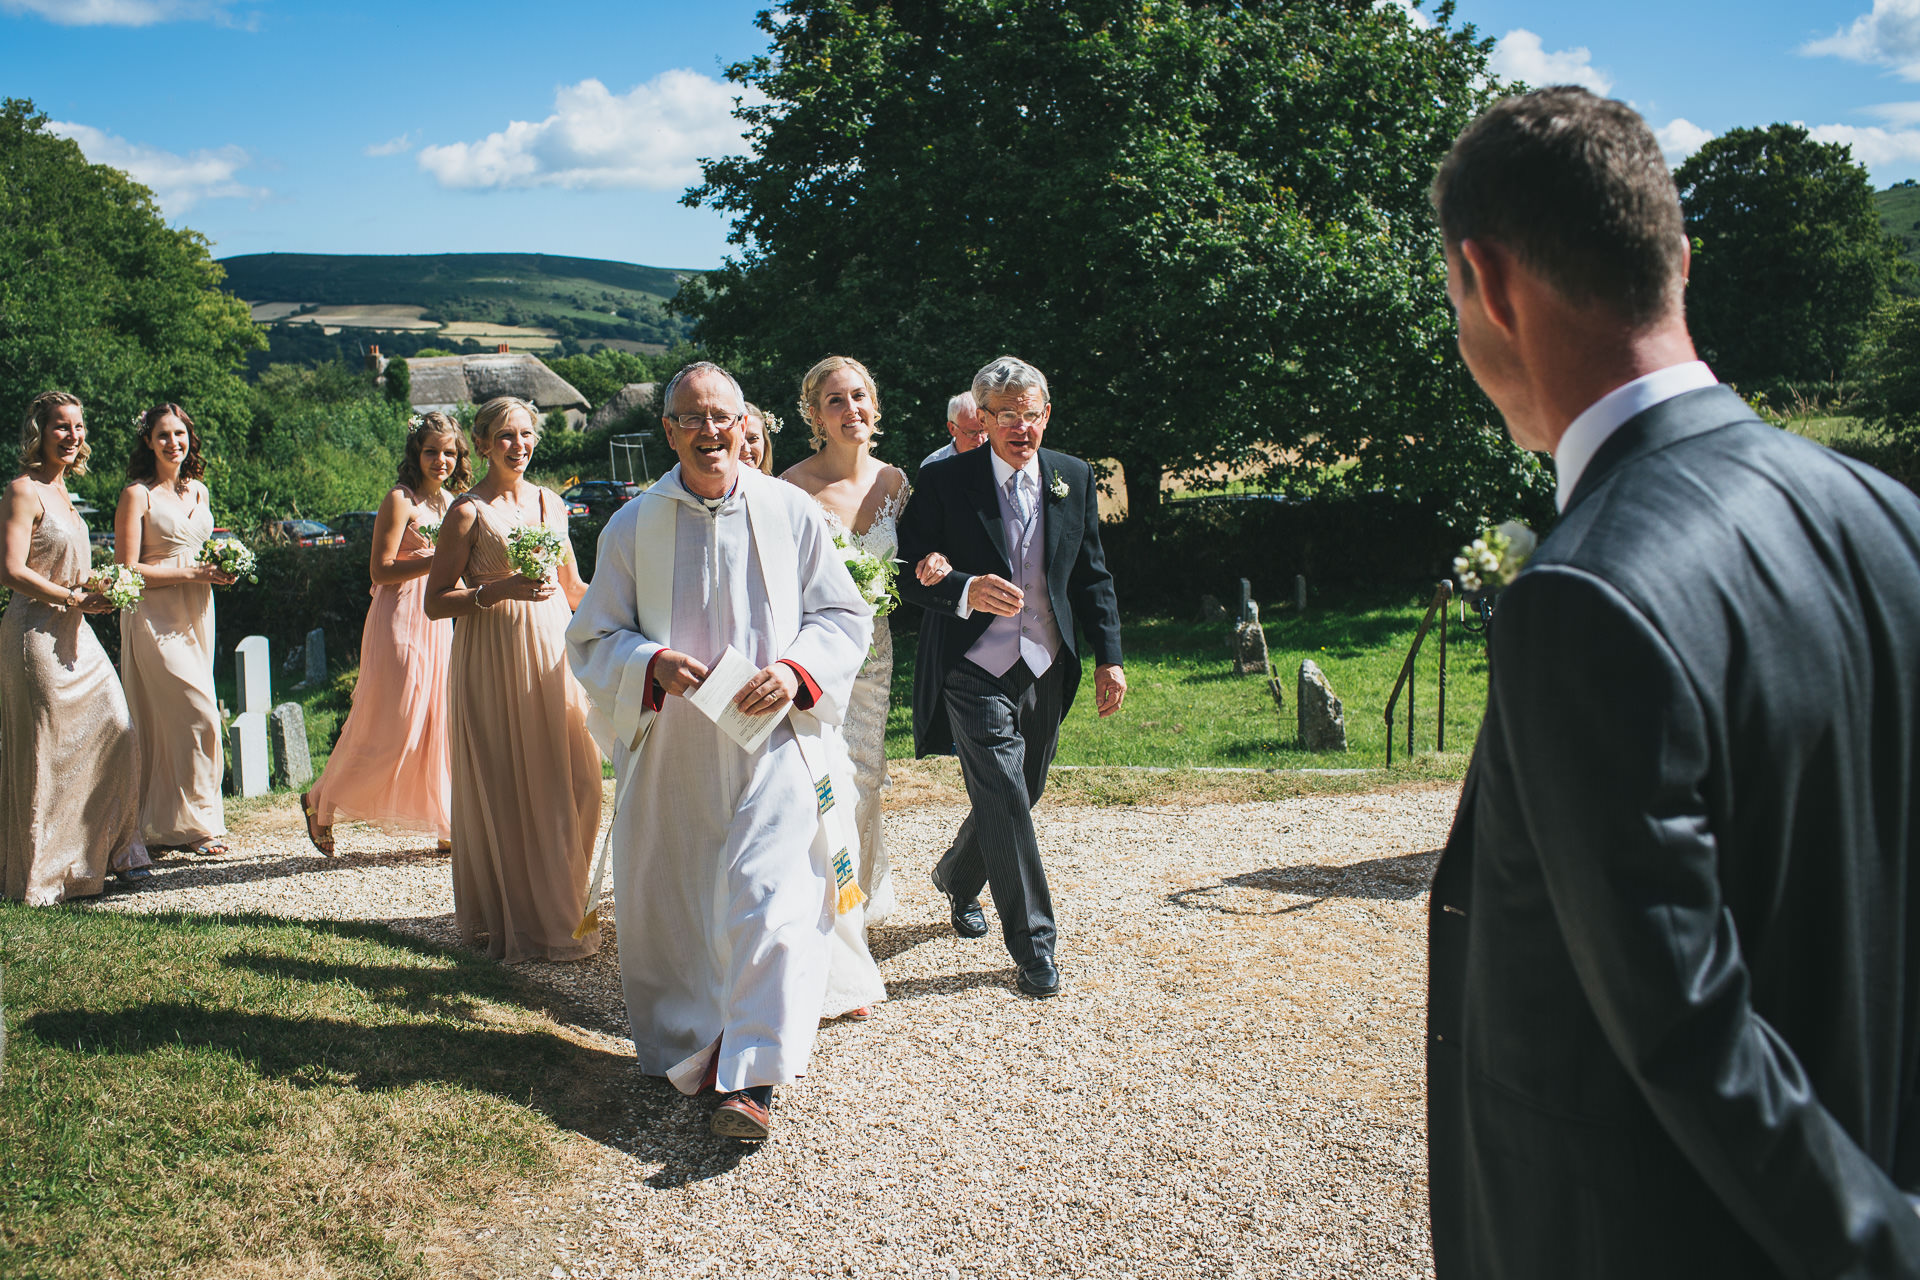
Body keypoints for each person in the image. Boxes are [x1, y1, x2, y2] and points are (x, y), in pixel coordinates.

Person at [1426, 86, 1920, 1278]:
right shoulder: (1890, 517)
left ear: (1489, 284)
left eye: (1451, 300)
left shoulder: (1588, 591)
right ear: (1678, 262)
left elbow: (1688, 1029)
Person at [567, 360, 876, 1141]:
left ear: (745, 426)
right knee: (681, 899)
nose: (710, 432)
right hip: (676, 746)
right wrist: (650, 664)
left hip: (774, 739)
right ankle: (700, 1042)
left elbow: (842, 614)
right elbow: (593, 635)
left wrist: (794, 671)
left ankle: (753, 1080)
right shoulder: (633, 525)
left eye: (722, 418)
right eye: (692, 418)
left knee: (768, 890)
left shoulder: (791, 512)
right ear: (669, 430)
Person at [897, 355, 1125, 998]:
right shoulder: (947, 481)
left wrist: (1110, 657)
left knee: (1024, 791)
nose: (1021, 428)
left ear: (1045, 414)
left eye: (1031, 415)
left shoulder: (1073, 477)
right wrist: (965, 587)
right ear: (983, 420)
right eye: (1006, 417)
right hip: (973, 667)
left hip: (1046, 665)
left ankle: (957, 876)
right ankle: (1034, 945)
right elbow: (909, 563)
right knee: (1001, 793)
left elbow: (1091, 576)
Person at [425, 396, 601, 963]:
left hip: (552, 650)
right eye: (505, 436)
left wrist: (630, 615)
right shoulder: (466, 512)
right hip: (493, 654)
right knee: (515, 788)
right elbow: (434, 603)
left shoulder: (552, 502)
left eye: (526, 434)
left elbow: (574, 588)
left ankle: (566, 900)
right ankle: (531, 920)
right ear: (481, 444)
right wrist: (498, 589)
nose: (518, 445)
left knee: (579, 782)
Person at [0, 392, 152, 903]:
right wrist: (71, 596)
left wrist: (99, 589)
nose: (72, 435)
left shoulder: (66, 493)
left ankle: (109, 853)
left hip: (75, 629)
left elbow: (68, 565)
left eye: (79, 426)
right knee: (46, 750)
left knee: (118, 727)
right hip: (35, 635)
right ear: (39, 432)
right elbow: (12, 570)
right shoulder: (23, 490)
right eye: (61, 427)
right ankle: (43, 872)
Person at [780, 356, 906, 958]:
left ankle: (856, 897)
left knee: (866, 772)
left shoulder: (896, 483)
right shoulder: (792, 486)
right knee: (821, 776)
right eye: (835, 400)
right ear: (815, 416)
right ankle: (819, 898)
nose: (851, 409)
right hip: (815, 651)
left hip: (875, 652)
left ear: (874, 405)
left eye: (859, 396)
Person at [302, 412, 470, 855]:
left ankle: (446, 822)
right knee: (393, 722)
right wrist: (438, 559)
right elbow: (380, 569)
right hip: (399, 618)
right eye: (432, 451)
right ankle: (319, 799)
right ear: (416, 452)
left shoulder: (452, 502)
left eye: (449, 452)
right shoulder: (401, 499)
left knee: (439, 721)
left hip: (439, 622)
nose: (441, 460)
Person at [117, 402, 234, 856]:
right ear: (148, 441)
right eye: (163, 435)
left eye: (180, 434)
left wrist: (223, 568)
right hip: (153, 617)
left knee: (177, 721)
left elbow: (200, 550)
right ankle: (196, 825)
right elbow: (127, 569)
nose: (173, 443)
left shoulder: (200, 491)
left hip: (196, 612)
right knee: (199, 712)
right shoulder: (137, 495)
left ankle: (165, 825)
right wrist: (192, 574)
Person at [919, 391, 987, 468]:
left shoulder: (999, 459)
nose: (980, 440)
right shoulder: (931, 466)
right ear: (952, 428)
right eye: (971, 432)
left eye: (983, 431)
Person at [742, 401, 776, 475]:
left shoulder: (776, 486)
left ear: (765, 443)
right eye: (737, 440)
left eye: (753, 439)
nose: (745, 449)